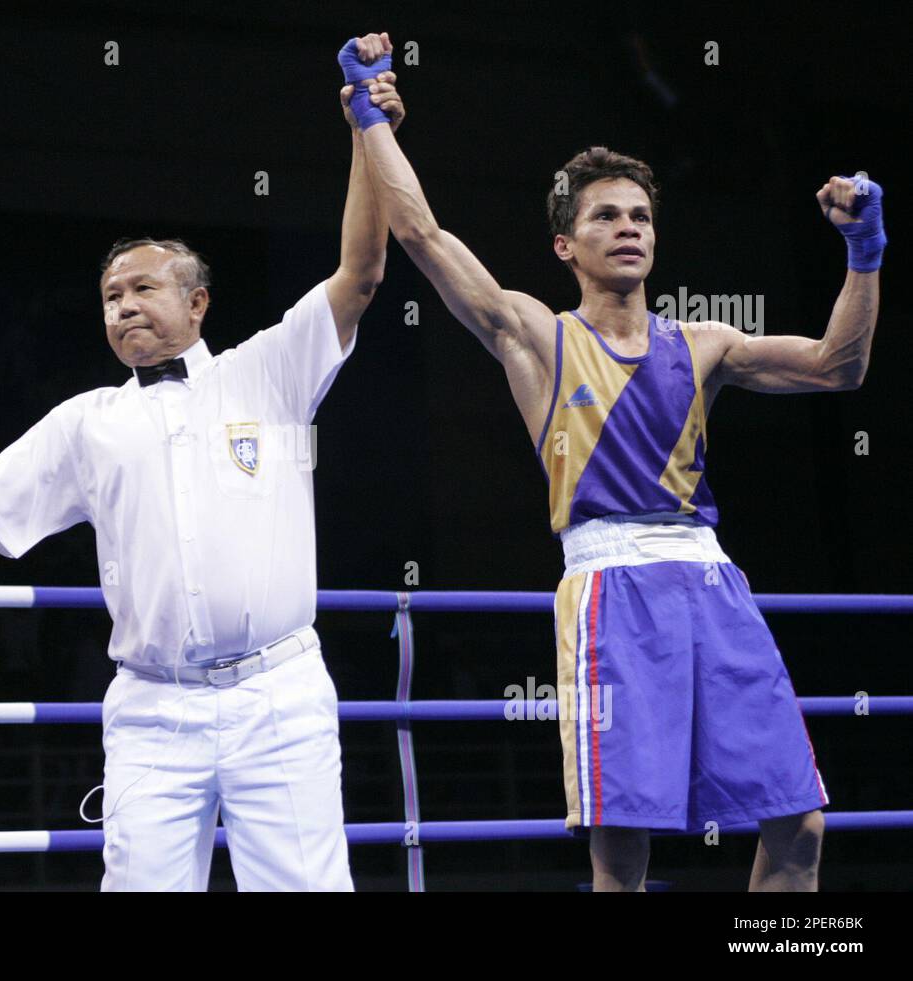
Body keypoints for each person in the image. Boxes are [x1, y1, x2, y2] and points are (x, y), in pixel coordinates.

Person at [0, 34, 403, 891]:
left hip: (278, 694)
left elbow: (363, 269)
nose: (123, 306)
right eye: (111, 297)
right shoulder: (89, 422)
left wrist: (363, 128)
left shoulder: (266, 370)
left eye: (144, 289)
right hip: (154, 710)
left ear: (197, 302)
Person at [355, 61, 883, 890]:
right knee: (624, 847)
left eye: (640, 214)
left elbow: (836, 368)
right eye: (606, 215)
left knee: (799, 820)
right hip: (611, 591)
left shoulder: (705, 343)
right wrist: (369, 117)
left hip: (714, 584)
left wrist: (863, 252)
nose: (629, 226)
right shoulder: (535, 334)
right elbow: (421, 234)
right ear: (567, 244)